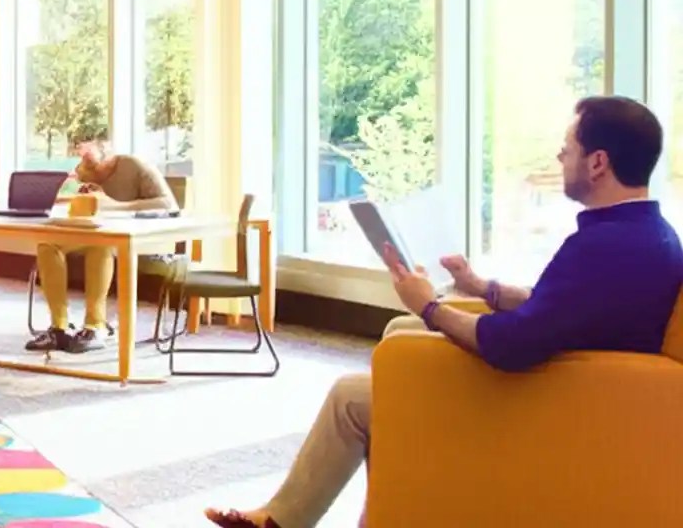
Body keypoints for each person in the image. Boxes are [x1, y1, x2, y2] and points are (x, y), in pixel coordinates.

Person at [205, 96, 683, 528]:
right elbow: (561, 307)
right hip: (576, 383)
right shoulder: (645, 234)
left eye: (567, 148)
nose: (560, 158)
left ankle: (282, 522)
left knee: (354, 395)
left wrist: (430, 306)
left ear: (598, 162)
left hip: (554, 400)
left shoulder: (602, 246)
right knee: (401, 329)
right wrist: (481, 288)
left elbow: (511, 345)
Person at [26, 144, 178, 353]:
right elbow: (60, 198)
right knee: (47, 244)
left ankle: (95, 325)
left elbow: (168, 203)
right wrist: (72, 194)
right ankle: (58, 328)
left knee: (101, 245)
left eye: (97, 169)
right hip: (92, 230)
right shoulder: (81, 170)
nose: (93, 175)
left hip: (135, 237)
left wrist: (113, 205)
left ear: (111, 159)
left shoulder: (134, 166)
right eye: (87, 168)